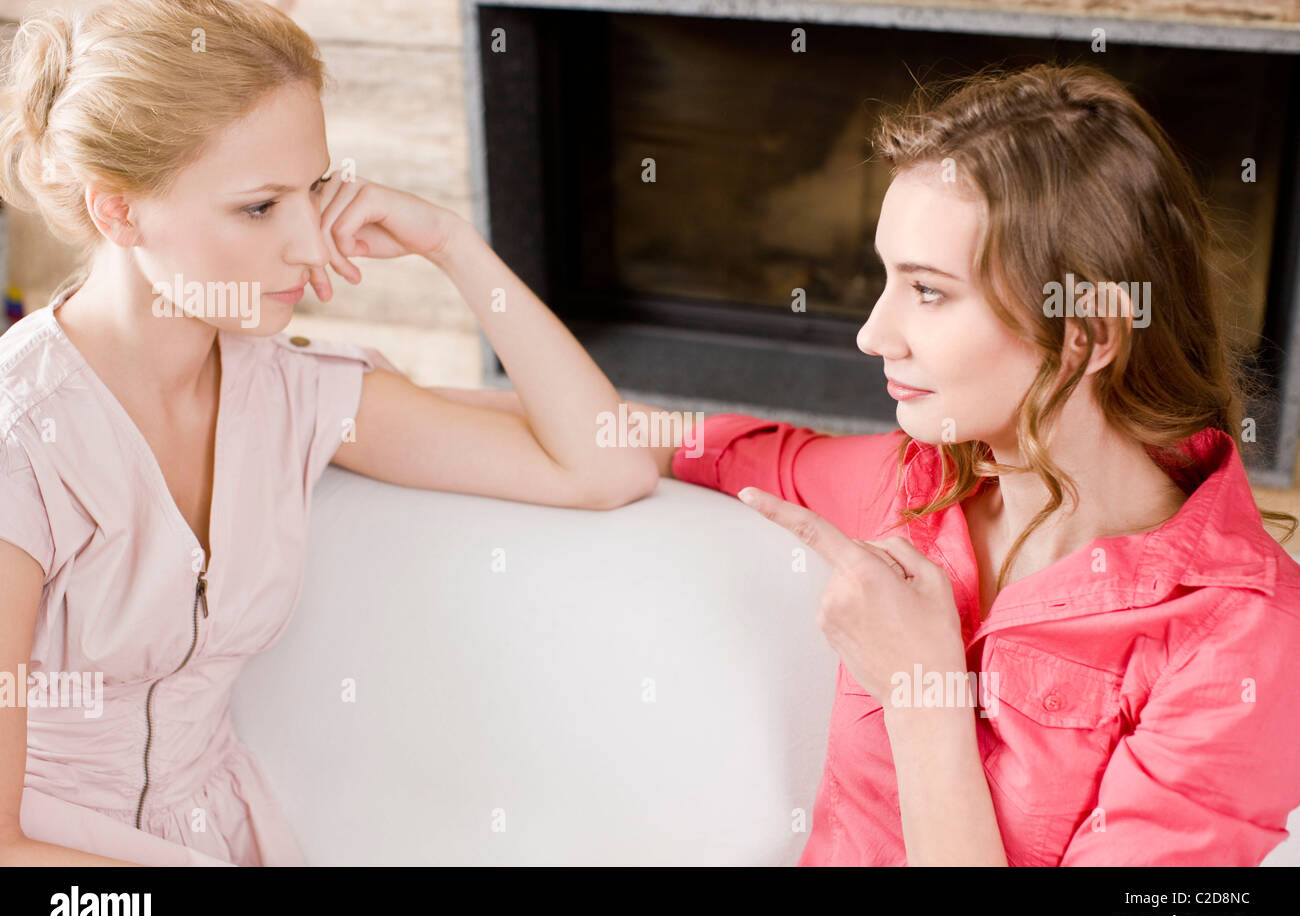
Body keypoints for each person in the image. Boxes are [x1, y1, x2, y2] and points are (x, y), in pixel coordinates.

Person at [0, 0, 656, 866]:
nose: (313, 245)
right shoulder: (24, 445)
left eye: (315, 189)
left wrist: (452, 244)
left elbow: (604, 466)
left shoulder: (289, 391)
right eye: (260, 208)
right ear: (118, 213)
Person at [637, 62, 1300, 865]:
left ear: (1086, 333)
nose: (873, 335)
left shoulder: (1246, 642)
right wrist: (458, 294)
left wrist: (924, 697)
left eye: (928, 292)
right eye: (887, 279)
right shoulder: (916, 486)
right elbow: (677, 442)